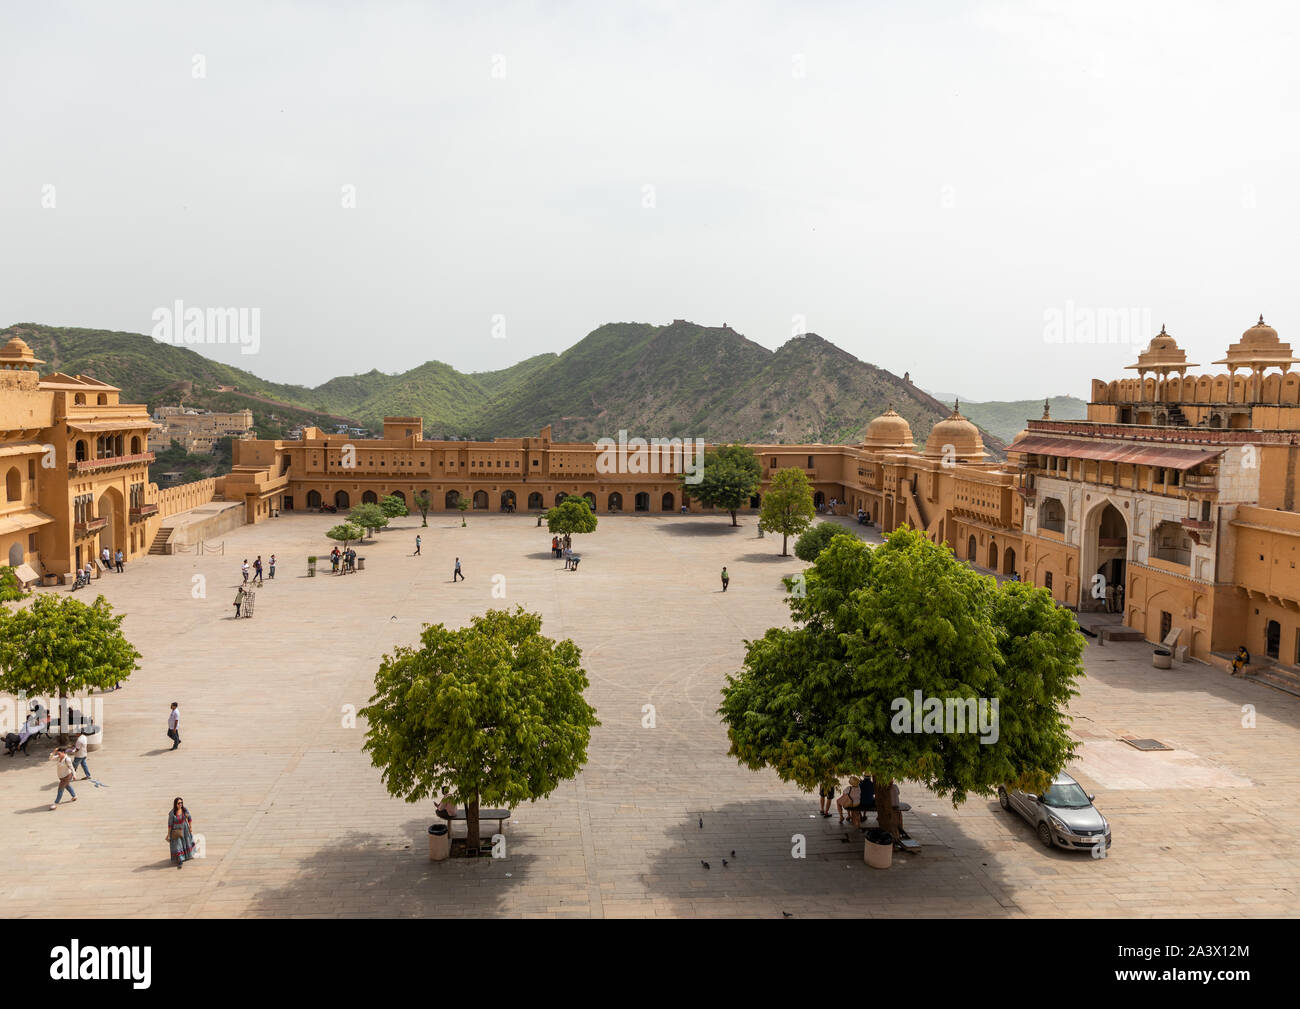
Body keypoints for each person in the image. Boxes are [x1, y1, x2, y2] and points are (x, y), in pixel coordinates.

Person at [167, 797, 196, 869]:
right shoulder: (172, 813)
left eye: (181, 803)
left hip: (185, 829)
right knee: (178, 846)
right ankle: (180, 860)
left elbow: (189, 818)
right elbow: (170, 825)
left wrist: (190, 827)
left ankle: (187, 856)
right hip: (176, 831)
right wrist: (168, 834)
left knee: (186, 842)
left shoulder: (184, 810)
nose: (180, 804)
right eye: (179, 803)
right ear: (175, 804)